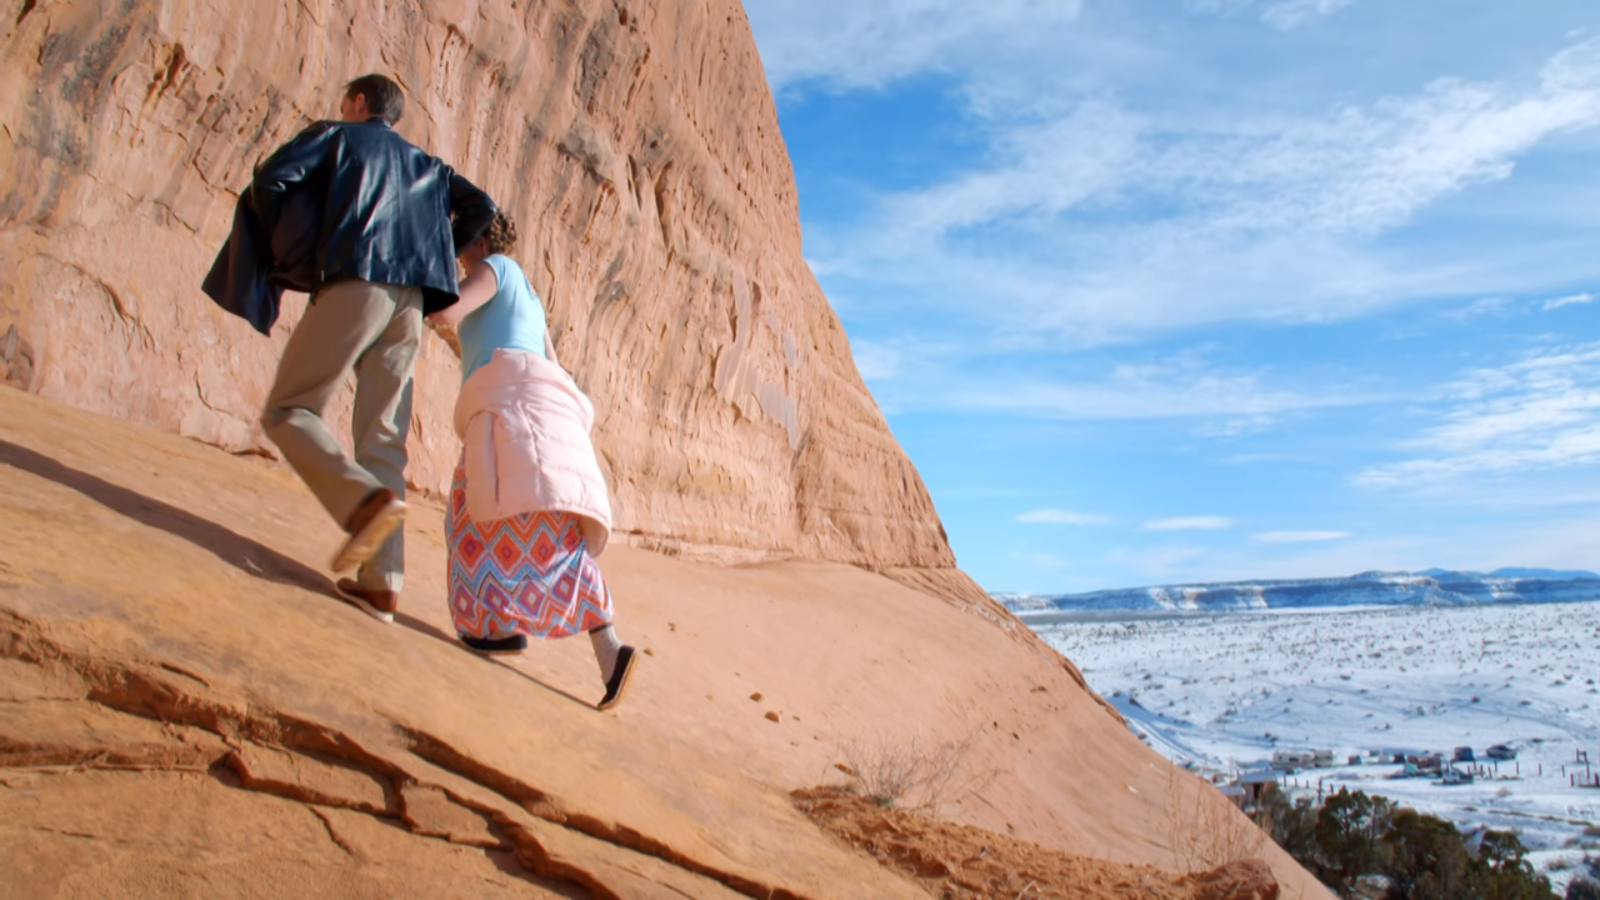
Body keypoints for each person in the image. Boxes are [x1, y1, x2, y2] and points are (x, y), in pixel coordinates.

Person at [253, 74, 497, 624]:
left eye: (345, 101)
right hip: (409, 301)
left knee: (289, 408)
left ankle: (360, 504)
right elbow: (482, 206)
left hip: (356, 280)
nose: (341, 108)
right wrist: (437, 252)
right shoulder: (429, 167)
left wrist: (286, 247)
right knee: (384, 436)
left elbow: (271, 179)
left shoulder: (338, 135)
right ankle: (382, 585)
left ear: (359, 103)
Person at [428, 213, 638, 710]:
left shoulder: (496, 268)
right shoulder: (531, 298)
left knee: (468, 523)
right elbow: (549, 362)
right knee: (552, 536)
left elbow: (446, 312)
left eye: (463, 246)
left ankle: (494, 627)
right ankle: (602, 650)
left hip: (507, 420)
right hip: (545, 418)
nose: (462, 255)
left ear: (481, 241)